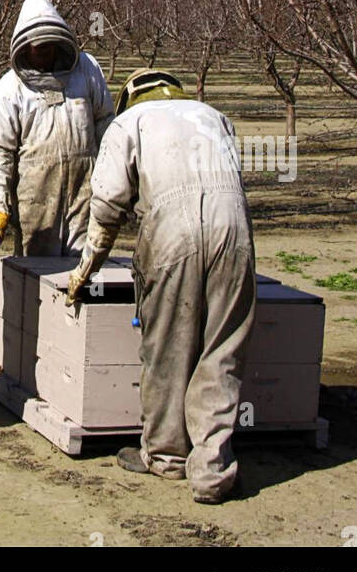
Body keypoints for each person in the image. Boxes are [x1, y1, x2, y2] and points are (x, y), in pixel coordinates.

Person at [67, 68, 256, 504]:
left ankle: (166, 456)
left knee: (168, 346)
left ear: (130, 98)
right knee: (222, 349)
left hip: (173, 233)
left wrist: (85, 271)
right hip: (236, 232)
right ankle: (212, 470)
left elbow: (108, 203)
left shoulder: (127, 123)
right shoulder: (213, 115)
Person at [0, 0, 114, 257]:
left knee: (85, 269)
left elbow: (107, 127)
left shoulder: (87, 70)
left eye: (48, 44)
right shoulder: (9, 89)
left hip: (85, 190)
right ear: (24, 45)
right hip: (35, 198)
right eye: (37, 45)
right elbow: (1, 151)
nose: (43, 50)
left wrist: (114, 182)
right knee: (37, 278)